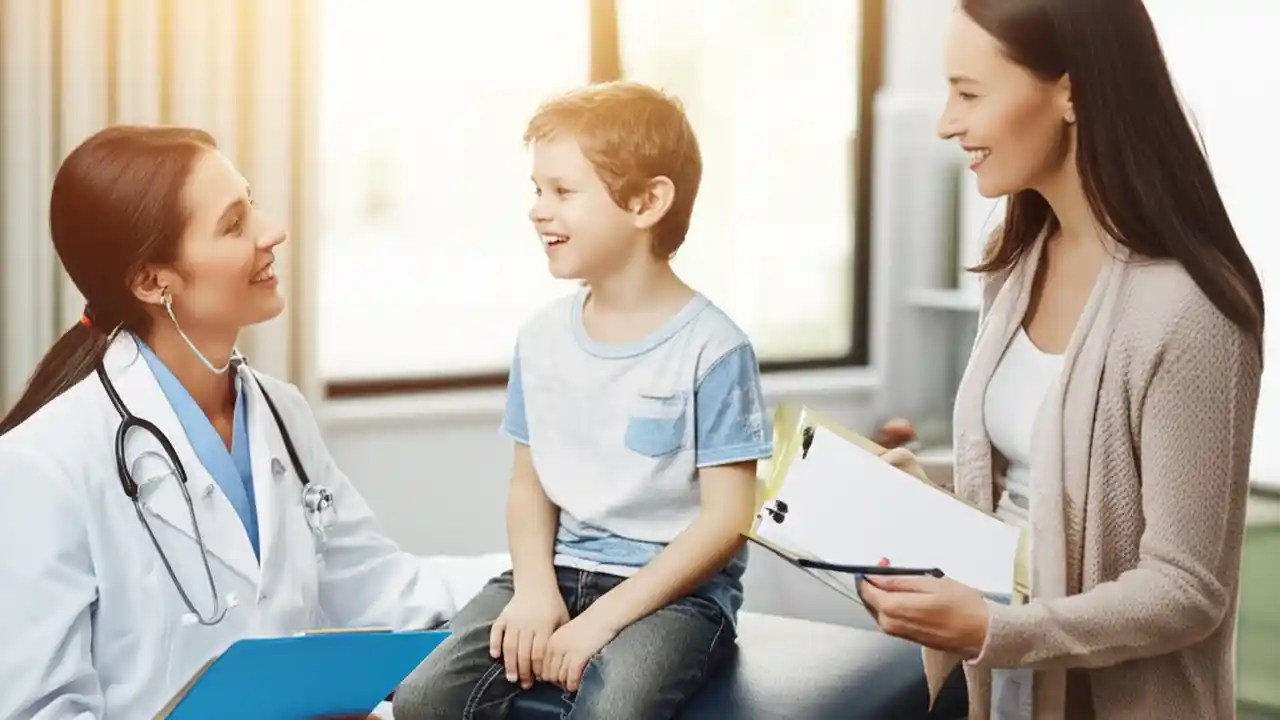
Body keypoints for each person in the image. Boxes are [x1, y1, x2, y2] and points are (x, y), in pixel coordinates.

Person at [0, 126, 504, 719]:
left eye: (252, 204)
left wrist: (549, 571)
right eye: (233, 224)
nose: (273, 232)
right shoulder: (43, 463)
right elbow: (40, 709)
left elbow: (381, 590)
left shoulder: (279, 413)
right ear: (152, 280)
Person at [860, 1, 1265, 718]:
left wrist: (997, 630)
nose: (946, 123)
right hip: (1001, 692)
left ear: (1071, 91)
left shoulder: (1189, 307)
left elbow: (1187, 588)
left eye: (969, 92)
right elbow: (1035, 490)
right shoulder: (1014, 267)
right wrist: (921, 500)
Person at [394, 82, 772, 719]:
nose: (539, 210)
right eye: (537, 190)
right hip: (559, 568)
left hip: (673, 595)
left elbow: (726, 519)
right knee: (422, 700)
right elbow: (528, 484)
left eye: (563, 192)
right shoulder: (541, 338)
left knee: (611, 710)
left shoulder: (714, 348)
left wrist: (600, 623)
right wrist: (536, 591)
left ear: (647, 202)